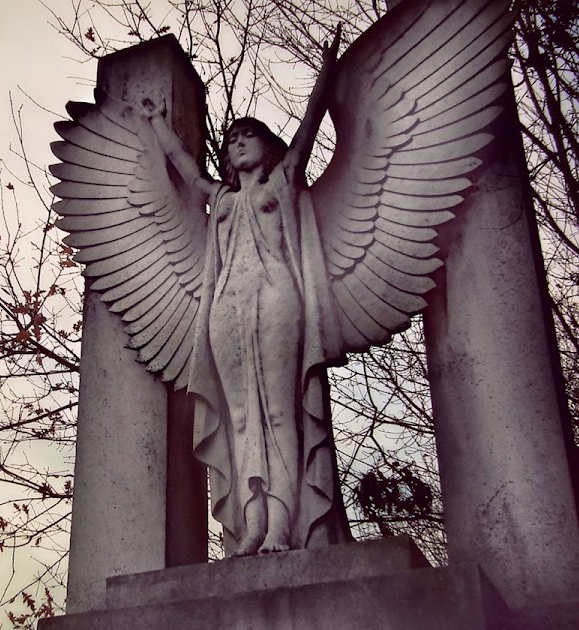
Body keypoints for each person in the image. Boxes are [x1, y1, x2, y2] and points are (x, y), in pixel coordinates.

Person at [136, 28, 347, 555]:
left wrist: (326, 73)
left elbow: (307, 132)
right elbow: (188, 172)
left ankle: (282, 526)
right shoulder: (223, 200)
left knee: (278, 413)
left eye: (248, 134)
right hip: (227, 308)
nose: (238, 141)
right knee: (241, 421)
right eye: (232, 138)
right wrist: (157, 122)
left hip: (276, 299)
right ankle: (252, 526)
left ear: (266, 146)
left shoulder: (282, 184)